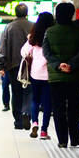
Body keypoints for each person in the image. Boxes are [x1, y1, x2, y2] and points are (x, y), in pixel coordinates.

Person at [43, 2, 79, 147]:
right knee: (74, 108)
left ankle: (62, 140)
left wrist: (58, 65)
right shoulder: (78, 31)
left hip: (56, 77)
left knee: (58, 108)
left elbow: (46, 52)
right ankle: (75, 138)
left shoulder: (49, 32)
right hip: (74, 76)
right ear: (72, 14)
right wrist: (71, 65)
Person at [0, 4, 33, 130]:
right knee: (28, 92)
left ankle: (18, 121)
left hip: (14, 65)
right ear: (27, 13)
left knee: (16, 92)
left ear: (15, 13)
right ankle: (26, 112)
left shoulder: (9, 27)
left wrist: (1, 65)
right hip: (30, 66)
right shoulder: (33, 26)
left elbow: (2, 48)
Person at [20, 11, 55, 139]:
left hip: (35, 74)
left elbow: (23, 52)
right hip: (49, 74)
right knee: (47, 104)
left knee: (35, 99)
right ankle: (44, 131)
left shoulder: (33, 36)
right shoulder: (53, 35)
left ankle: (34, 123)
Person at [0, 44, 10, 111]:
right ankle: (6, 105)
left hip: (14, 67)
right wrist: (0, 68)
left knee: (15, 88)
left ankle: (18, 106)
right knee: (5, 87)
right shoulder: (1, 44)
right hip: (6, 69)